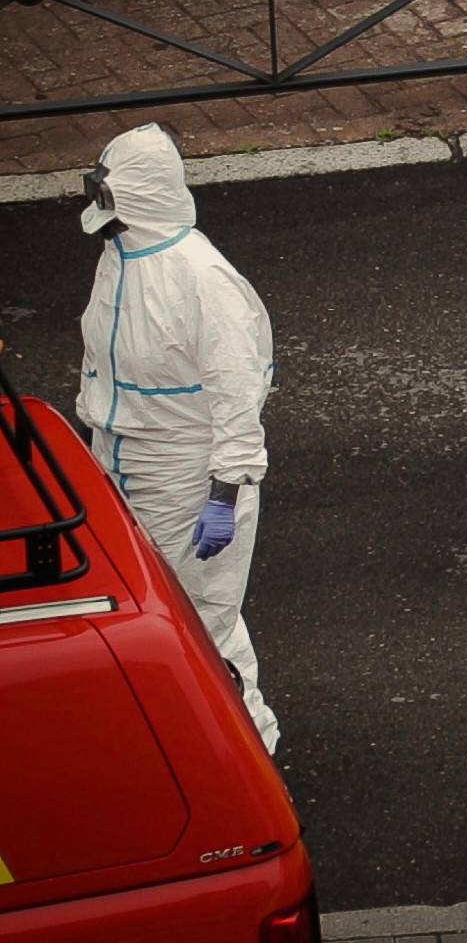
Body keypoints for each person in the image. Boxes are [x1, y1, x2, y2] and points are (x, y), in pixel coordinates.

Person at [75, 122, 279, 753]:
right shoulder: (120, 255)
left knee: (199, 620)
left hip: (184, 478)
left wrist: (225, 494)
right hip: (115, 461)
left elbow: (238, 400)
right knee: (147, 616)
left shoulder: (203, 281)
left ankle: (248, 752)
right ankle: (179, 742)